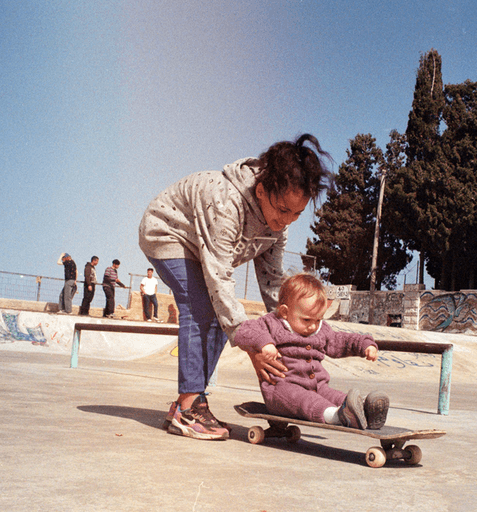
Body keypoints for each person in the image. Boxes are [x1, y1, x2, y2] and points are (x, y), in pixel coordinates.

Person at [139, 133, 332, 441]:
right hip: (168, 232)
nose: (286, 221)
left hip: (201, 246)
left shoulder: (277, 228)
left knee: (218, 313)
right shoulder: (227, 204)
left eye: (296, 214)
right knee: (200, 307)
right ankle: (189, 407)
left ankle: (190, 401)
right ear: (260, 190)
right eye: (282, 209)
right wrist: (255, 345)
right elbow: (219, 280)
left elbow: (273, 287)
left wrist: (290, 333)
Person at [234, 273, 390, 429]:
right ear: (285, 312)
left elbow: (340, 340)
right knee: (306, 400)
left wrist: (364, 344)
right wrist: (264, 343)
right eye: (307, 320)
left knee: (338, 397)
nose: (313, 326)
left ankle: (365, 411)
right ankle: (337, 417)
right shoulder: (272, 323)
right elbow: (244, 330)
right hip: (282, 390)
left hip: (318, 387)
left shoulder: (320, 331)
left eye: (318, 319)